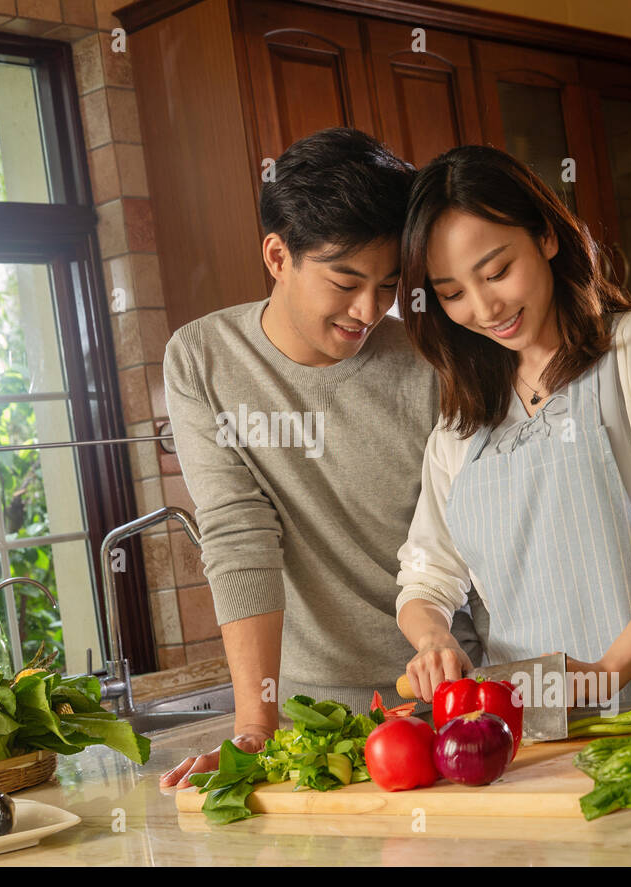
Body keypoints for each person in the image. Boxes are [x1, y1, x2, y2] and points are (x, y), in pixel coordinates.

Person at [159, 128, 488, 789]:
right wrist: (256, 726)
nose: (368, 310)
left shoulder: (430, 365)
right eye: (346, 281)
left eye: (388, 284)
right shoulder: (201, 359)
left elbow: (474, 539)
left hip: (448, 699)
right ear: (278, 255)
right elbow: (238, 531)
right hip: (314, 721)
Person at [394, 145, 631, 714]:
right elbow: (426, 578)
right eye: (452, 294)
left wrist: (606, 673)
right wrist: (434, 637)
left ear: (546, 236)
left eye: (496, 272)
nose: (485, 307)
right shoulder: (459, 427)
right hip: (542, 741)